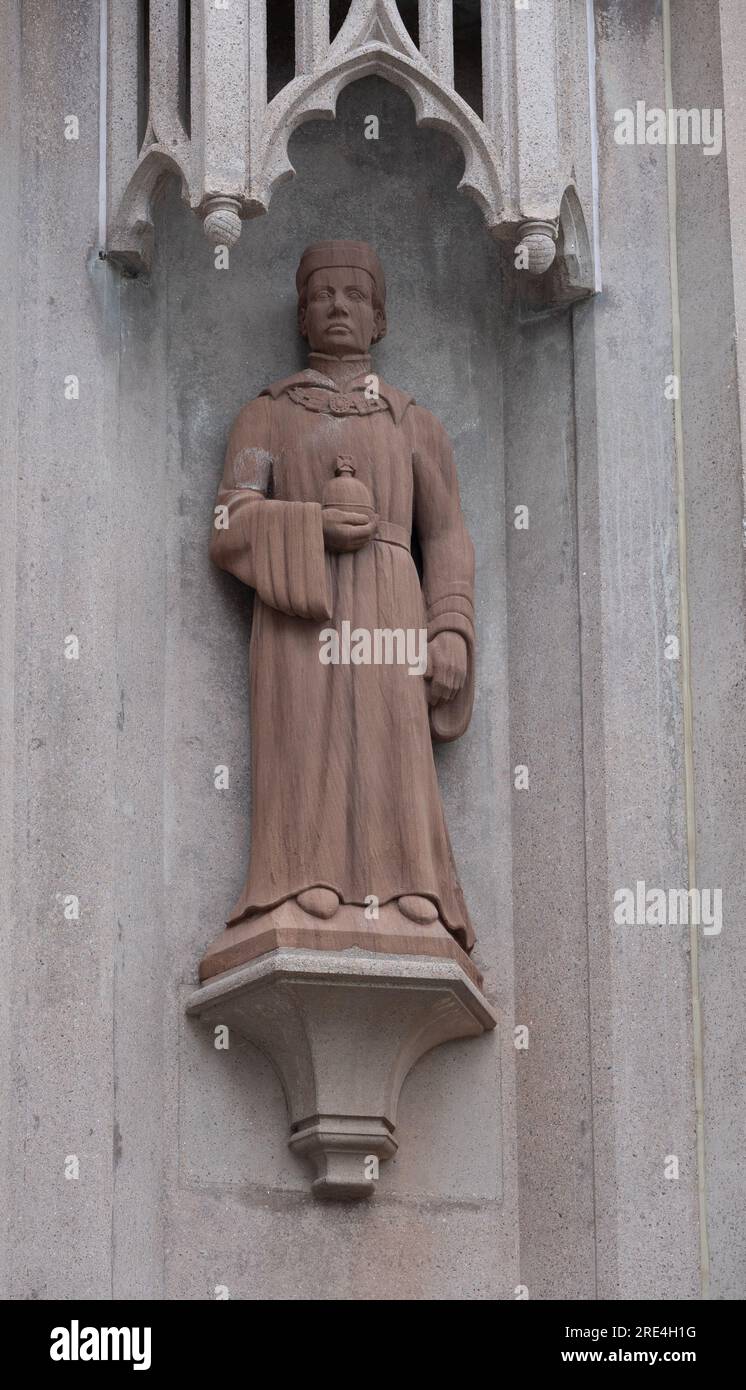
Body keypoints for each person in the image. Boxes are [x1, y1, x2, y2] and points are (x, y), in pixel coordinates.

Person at [210, 240, 477, 951]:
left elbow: (446, 535)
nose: (337, 306)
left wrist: (450, 628)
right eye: (322, 295)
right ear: (302, 314)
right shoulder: (267, 415)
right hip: (302, 606)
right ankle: (301, 875)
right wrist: (308, 527)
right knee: (305, 733)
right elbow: (228, 522)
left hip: (391, 602)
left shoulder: (412, 421)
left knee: (392, 734)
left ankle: (411, 880)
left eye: (355, 296)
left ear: (379, 319)